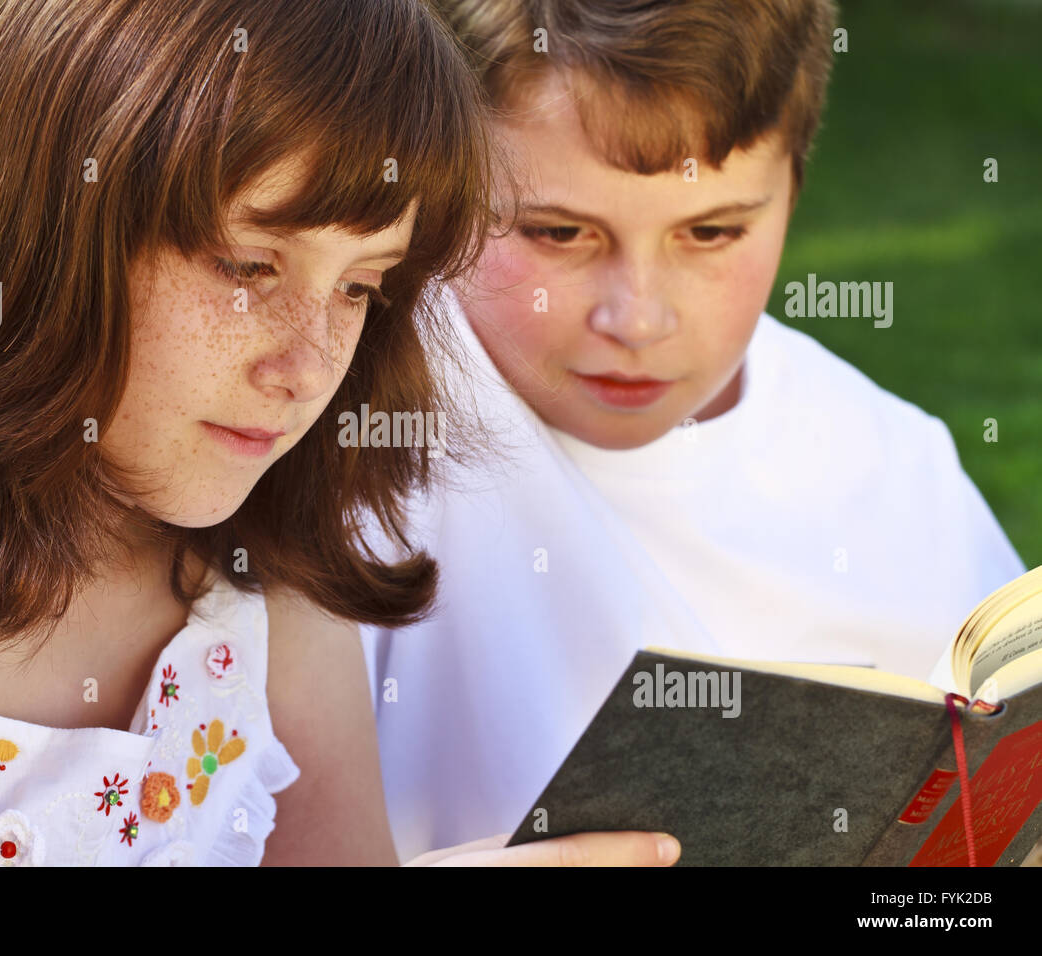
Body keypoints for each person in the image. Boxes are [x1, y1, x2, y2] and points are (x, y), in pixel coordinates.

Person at [0, 0, 670, 867]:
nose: (305, 368)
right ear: (43, 227)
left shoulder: (262, 583)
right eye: (248, 265)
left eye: (359, 286)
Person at [364, 0, 1027, 862]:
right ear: (437, 178)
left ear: (794, 185)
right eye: (559, 232)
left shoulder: (899, 466)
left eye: (711, 232)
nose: (638, 318)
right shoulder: (341, 441)